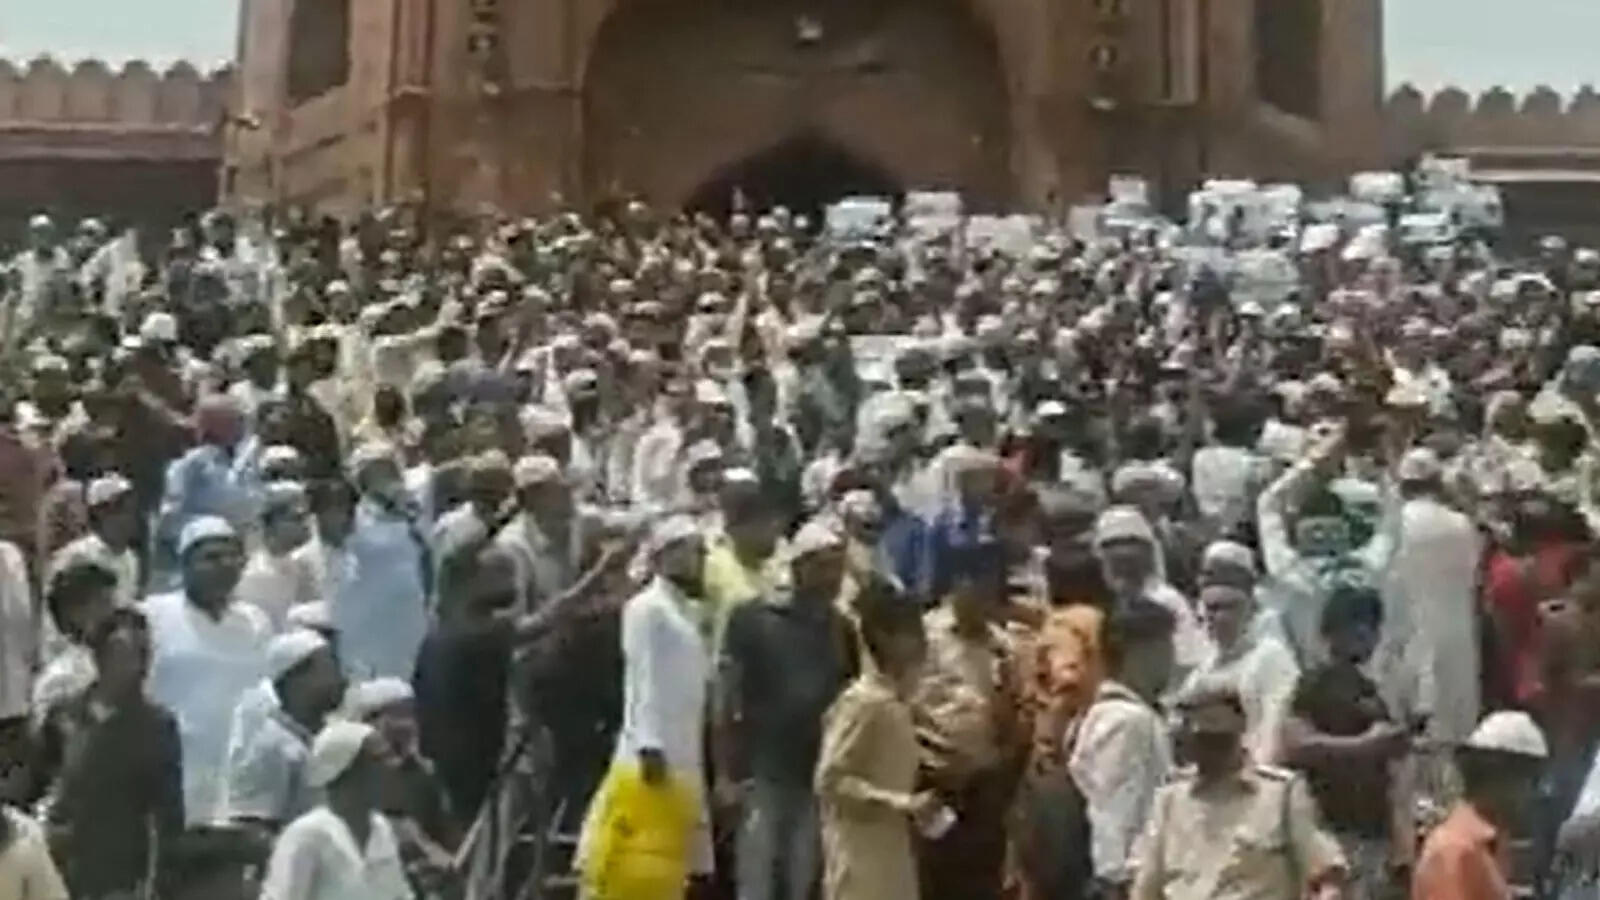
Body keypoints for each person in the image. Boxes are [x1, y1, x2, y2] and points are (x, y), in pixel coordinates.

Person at [718, 521, 853, 900]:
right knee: (756, 880)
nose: (834, 578)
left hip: (815, 774)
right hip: (762, 772)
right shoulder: (751, 618)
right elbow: (727, 698)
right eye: (824, 567)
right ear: (799, 568)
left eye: (838, 568)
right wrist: (726, 773)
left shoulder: (840, 627)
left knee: (801, 880)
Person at [578, 515, 715, 887]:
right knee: (635, 857)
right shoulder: (646, 608)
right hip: (652, 753)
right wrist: (649, 744)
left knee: (669, 865)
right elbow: (643, 678)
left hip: (685, 746)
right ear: (667, 555)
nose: (702, 558)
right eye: (694, 551)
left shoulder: (686, 611)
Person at [1131, 680, 1347, 900]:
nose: (1210, 746)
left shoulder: (1281, 795)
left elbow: (1324, 871)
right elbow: (1145, 887)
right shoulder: (1170, 801)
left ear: (1239, 730)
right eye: (1200, 736)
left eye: (1217, 736)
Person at [33, 608, 184, 899]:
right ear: (100, 658)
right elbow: (39, 781)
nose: (138, 667)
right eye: (126, 656)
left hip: (120, 876)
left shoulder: (157, 726)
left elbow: (168, 817)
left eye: (144, 655)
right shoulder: (65, 716)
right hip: (59, 868)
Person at [1284, 583, 1414, 900]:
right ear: (1333, 632)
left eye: (1371, 626)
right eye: (1356, 626)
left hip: (1372, 832)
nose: (1366, 635)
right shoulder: (1315, 683)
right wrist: (1365, 746)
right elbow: (1296, 745)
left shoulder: (1370, 690)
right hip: (1331, 830)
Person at [816, 577, 942, 900]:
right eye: (909, 632)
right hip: (860, 864)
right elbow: (830, 781)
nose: (920, 641)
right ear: (884, 638)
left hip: (893, 857)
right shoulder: (863, 702)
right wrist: (899, 802)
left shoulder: (897, 701)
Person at [143, 515, 271, 824]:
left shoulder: (255, 621)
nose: (224, 565)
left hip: (237, 766)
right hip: (173, 765)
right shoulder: (152, 614)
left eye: (231, 556)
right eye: (211, 557)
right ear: (185, 564)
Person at [912, 540, 1020, 900]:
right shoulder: (923, 638)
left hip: (985, 788)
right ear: (957, 584)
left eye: (989, 588)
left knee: (979, 882)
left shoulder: (1004, 647)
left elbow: (1013, 714)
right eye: (974, 585)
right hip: (932, 781)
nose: (980, 597)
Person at [1068, 600, 1177, 900]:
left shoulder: (1125, 714)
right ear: (1140, 651)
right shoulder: (1126, 721)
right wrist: (1117, 881)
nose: (1171, 658)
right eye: (1164, 646)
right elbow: (1115, 810)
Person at [1386, 447, 1483, 747]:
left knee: (1406, 730)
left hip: (1404, 630)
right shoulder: (1460, 523)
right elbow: (1474, 573)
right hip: (1454, 634)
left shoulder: (1391, 523)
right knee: (1454, 731)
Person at [259, 720, 414, 900]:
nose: (393, 767)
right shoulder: (306, 834)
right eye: (379, 759)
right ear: (347, 769)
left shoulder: (381, 830)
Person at [1413, 711, 1549, 900]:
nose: (1536, 793)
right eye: (1531, 780)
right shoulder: (1455, 849)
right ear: (1497, 775)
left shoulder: (1487, 845)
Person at [224, 629, 346, 835]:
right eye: (329, 668)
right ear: (297, 678)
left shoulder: (321, 739)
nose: (341, 678)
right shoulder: (271, 746)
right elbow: (252, 832)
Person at [1184, 581, 1300, 764]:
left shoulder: (1270, 656)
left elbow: (1274, 723)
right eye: (1207, 609)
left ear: (1249, 611)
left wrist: (1259, 770)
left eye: (1222, 608)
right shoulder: (1203, 667)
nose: (1211, 616)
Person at [237, 481, 315, 632]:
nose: (306, 525)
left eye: (307, 518)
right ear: (270, 523)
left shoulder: (304, 561)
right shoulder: (256, 575)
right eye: (296, 518)